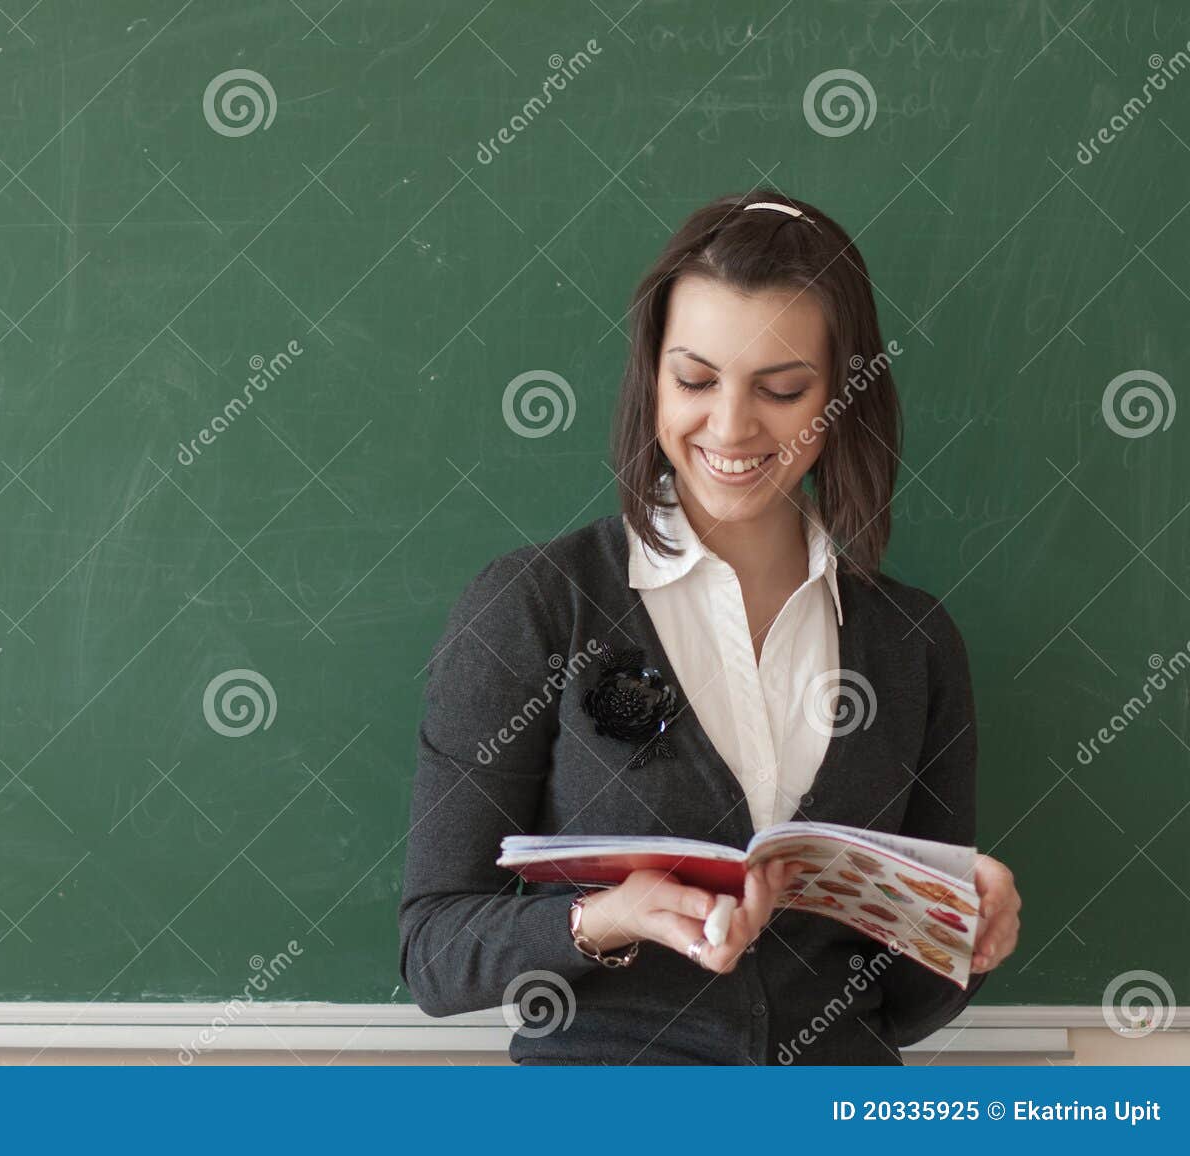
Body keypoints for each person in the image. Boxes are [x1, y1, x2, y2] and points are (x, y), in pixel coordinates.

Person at [398, 191, 1022, 1064]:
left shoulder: (913, 642)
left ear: (842, 395)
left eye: (782, 389)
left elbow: (909, 1003)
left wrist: (970, 932)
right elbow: (432, 952)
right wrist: (603, 919)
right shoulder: (538, 604)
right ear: (651, 377)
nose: (730, 426)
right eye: (695, 380)